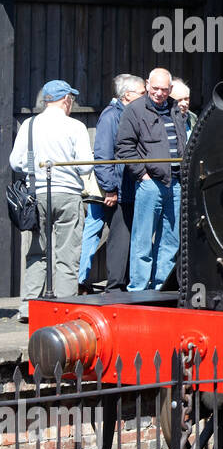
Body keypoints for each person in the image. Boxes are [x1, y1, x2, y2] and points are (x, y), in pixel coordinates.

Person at [9, 80, 93, 317]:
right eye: (71, 99)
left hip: (37, 196)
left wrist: (35, 165)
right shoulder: (75, 126)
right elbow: (86, 167)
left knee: (37, 252)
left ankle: (28, 307)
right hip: (67, 194)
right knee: (68, 254)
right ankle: (65, 307)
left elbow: (15, 162)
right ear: (66, 99)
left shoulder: (29, 124)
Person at [116, 68, 186, 291]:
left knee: (171, 240)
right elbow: (124, 147)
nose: (159, 93)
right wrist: (142, 175)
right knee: (143, 239)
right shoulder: (134, 110)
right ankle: (137, 288)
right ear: (147, 85)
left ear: (170, 89)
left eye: (164, 89)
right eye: (155, 88)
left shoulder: (176, 109)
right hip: (150, 183)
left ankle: (161, 288)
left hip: (176, 182)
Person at [77, 74, 145, 292]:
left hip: (130, 187)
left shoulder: (131, 114)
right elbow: (103, 155)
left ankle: (123, 283)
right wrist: (110, 189)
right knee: (119, 238)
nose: (146, 97)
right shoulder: (111, 117)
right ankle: (115, 287)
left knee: (130, 237)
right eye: (142, 93)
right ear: (127, 95)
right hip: (118, 187)